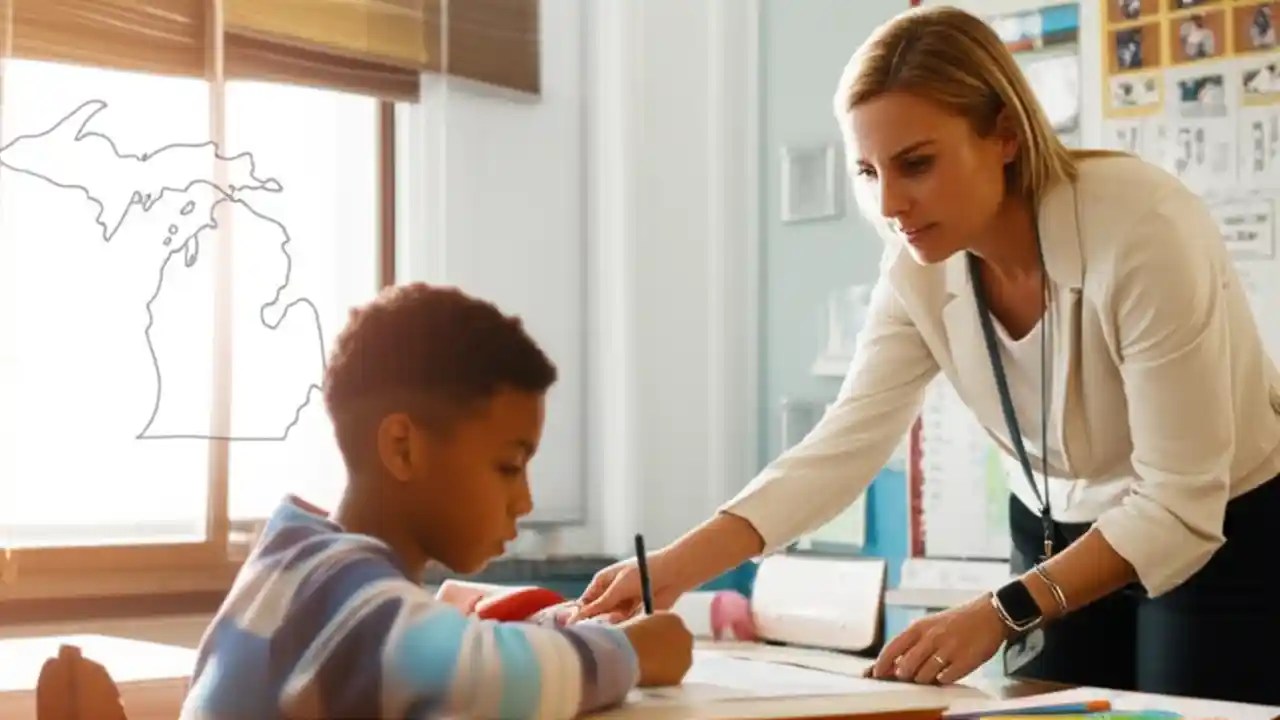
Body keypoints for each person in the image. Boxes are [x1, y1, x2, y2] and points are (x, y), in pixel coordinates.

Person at [572, 5, 1280, 706]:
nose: (890, 204)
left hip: (1219, 522)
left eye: (916, 164)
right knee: (1049, 705)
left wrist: (997, 611)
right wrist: (672, 567)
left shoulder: (1142, 227)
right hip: (1054, 523)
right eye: (870, 172)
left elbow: (1179, 498)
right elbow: (842, 448)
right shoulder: (916, 270)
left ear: (1004, 134)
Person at [180, 283, 693, 720]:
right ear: (403, 448)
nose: (526, 500)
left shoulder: (296, 564)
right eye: (509, 467)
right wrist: (636, 651)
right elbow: (485, 675)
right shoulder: (339, 589)